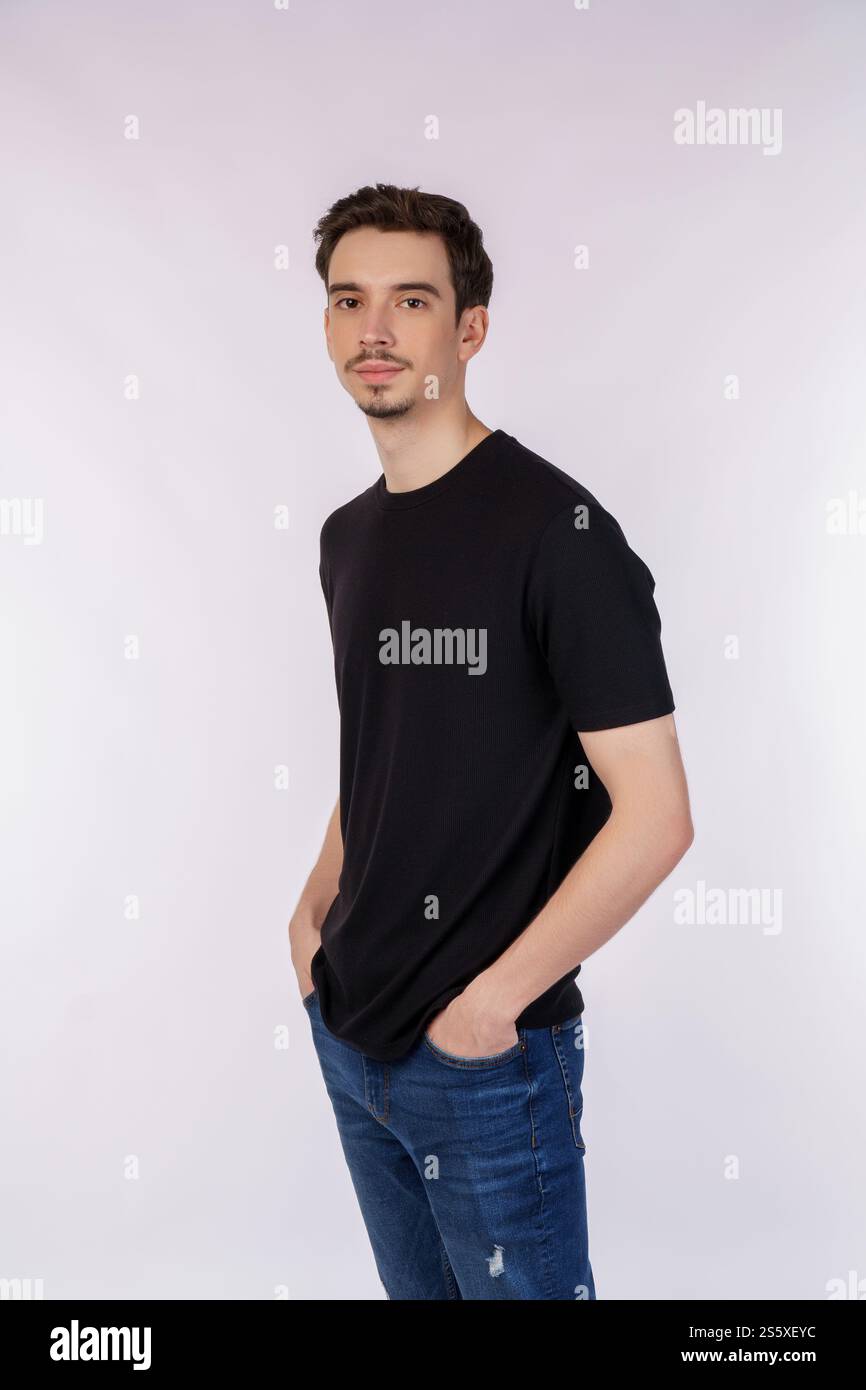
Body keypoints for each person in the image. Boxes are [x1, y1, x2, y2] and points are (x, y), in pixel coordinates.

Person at [289, 182, 694, 1300]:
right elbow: (378, 745)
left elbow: (655, 815)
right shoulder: (346, 536)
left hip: (480, 1067)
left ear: (467, 327)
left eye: (409, 300)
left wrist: (493, 1003)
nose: (373, 331)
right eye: (346, 300)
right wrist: (313, 906)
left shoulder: (557, 534)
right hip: (350, 1030)